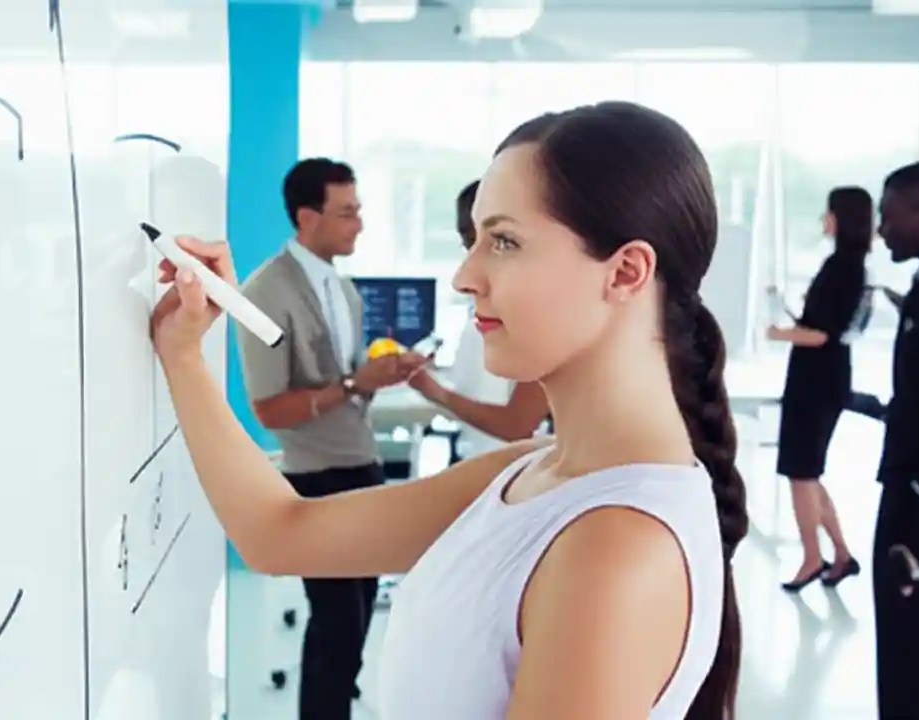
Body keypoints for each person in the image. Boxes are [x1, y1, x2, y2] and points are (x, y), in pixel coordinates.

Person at [150, 102, 746, 718]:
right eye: (476, 241)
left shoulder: (617, 547)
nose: (464, 276)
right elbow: (279, 536)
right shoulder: (533, 470)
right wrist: (183, 354)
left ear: (625, 272)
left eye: (505, 242)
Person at [233, 157, 414, 719]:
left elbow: (348, 383)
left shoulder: (345, 289)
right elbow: (270, 409)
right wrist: (356, 382)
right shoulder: (265, 293)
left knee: (357, 617)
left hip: (362, 465)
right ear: (307, 217)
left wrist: (376, 379)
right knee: (338, 622)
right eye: (347, 213)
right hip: (318, 475)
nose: (358, 224)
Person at [766, 186, 873, 592]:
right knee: (807, 472)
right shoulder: (845, 264)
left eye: (828, 213)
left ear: (842, 218)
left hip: (818, 380)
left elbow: (822, 335)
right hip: (819, 377)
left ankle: (812, 559)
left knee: (801, 472)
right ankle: (841, 556)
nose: (823, 220)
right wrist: (794, 319)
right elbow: (824, 322)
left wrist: (780, 333)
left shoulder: (845, 267)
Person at [871, 160, 919, 719]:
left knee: (915, 646)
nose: (880, 230)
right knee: (901, 642)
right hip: (910, 484)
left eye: (888, 216)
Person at [408, 180, 551, 459]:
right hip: (478, 459)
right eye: (469, 243)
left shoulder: (539, 312)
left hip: (511, 468)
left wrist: (437, 392)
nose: (464, 277)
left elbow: (518, 424)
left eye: (497, 243)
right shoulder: (483, 304)